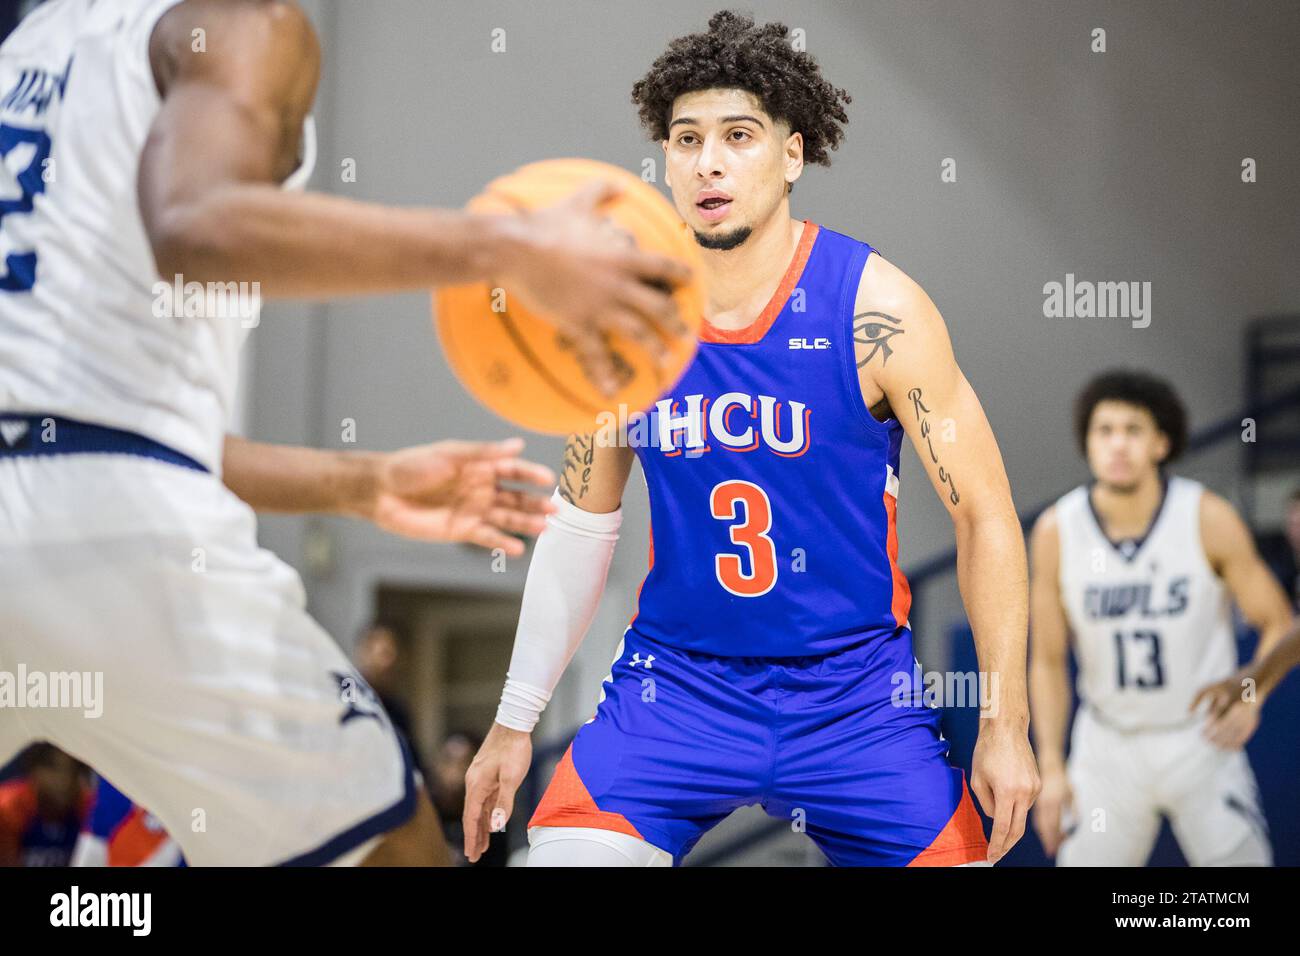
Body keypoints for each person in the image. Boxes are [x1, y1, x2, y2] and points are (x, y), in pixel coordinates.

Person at [0, 0, 692, 866]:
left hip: (70, 493)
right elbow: (196, 228)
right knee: (399, 849)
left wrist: (361, 485)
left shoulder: (32, 45)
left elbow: (73, 428)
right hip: (114, 540)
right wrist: (510, 246)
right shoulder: (244, 20)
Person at [463, 11, 1039, 867]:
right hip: (675, 687)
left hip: (854, 699)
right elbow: (582, 525)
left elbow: (987, 518)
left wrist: (1006, 724)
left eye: (739, 135)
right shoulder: (624, 327)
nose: (710, 161)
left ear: (793, 153)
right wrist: (513, 722)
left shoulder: (877, 310)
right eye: (686, 138)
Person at [1029, 370, 1295, 866]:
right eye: (1104, 431)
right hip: (1107, 743)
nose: (1117, 444)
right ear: (1086, 442)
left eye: (1133, 430)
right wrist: (1051, 763)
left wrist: (1252, 692)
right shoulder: (1056, 531)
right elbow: (1046, 659)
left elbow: (1280, 623)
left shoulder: (1206, 516)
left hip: (1199, 735)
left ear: (1162, 442)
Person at [0, 744, 92, 867]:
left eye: (73, 770)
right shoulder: (7, 809)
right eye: (53, 768)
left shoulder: (90, 806)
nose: (64, 780)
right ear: (34, 769)